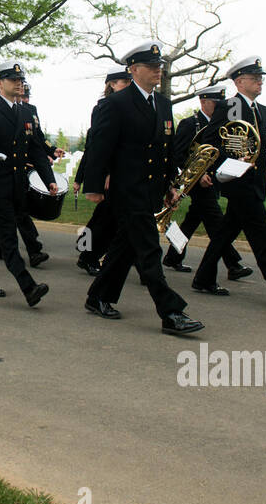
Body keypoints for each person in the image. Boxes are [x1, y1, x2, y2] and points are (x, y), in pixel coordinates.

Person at [82, 42, 201, 334]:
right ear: (134, 70)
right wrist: (94, 186)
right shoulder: (115, 104)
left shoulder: (163, 104)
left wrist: (171, 185)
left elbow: (167, 149)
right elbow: (99, 148)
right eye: (151, 67)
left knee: (124, 247)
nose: (157, 71)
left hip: (151, 189)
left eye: (159, 67)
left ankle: (98, 296)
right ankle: (171, 312)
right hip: (127, 189)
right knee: (148, 250)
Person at [191, 56, 266, 310]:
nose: (260, 82)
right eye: (254, 78)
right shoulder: (228, 107)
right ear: (239, 81)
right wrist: (232, 158)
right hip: (239, 182)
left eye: (260, 78)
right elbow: (212, 140)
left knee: (225, 233)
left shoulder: (265, 112)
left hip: (256, 182)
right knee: (262, 236)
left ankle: (203, 277)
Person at [0, 61, 54, 307]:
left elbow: (37, 150)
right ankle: (29, 287)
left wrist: (48, 179)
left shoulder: (27, 113)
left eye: (21, 80)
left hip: (19, 186)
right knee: (8, 239)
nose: (20, 84)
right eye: (13, 80)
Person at [163, 83, 252, 280]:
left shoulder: (222, 124)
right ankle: (233, 263)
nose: (221, 106)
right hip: (196, 181)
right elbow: (178, 155)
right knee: (216, 220)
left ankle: (173, 256)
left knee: (193, 219)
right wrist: (198, 173)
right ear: (204, 102)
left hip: (214, 180)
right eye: (215, 102)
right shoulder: (190, 124)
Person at [74, 69, 131, 276]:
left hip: (124, 175)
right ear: (112, 85)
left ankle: (85, 246)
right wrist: (104, 174)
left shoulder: (130, 106)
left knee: (105, 218)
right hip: (110, 175)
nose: (128, 84)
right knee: (106, 219)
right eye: (124, 81)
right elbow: (99, 145)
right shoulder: (104, 107)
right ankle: (88, 254)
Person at [12, 82, 59, 266]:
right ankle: (33, 249)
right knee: (18, 212)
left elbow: (37, 138)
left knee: (16, 213)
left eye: (26, 95)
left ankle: (11, 249)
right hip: (9, 172)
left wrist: (51, 150)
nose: (24, 98)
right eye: (22, 95)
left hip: (27, 166)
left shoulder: (30, 111)